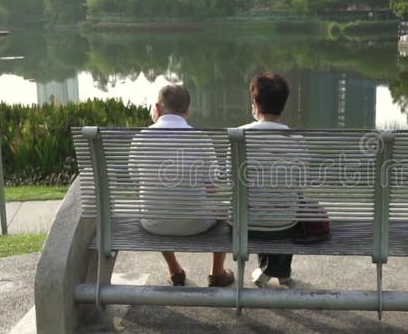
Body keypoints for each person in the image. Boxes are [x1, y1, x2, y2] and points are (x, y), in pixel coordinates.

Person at [129, 84, 234, 287]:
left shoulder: (141, 138)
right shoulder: (201, 139)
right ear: (187, 111)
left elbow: (137, 181)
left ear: (157, 108)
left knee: (158, 200)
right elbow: (212, 186)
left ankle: (175, 270)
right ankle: (217, 272)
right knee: (223, 206)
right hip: (198, 224)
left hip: (154, 224)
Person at [239, 72, 302, 288]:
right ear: (284, 103)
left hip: (245, 224)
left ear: (255, 104)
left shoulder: (239, 136)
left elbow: (230, 181)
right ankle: (280, 272)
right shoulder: (296, 139)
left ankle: (269, 271)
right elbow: (299, 183)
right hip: (285, 224)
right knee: (289, 202)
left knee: (257, 200)